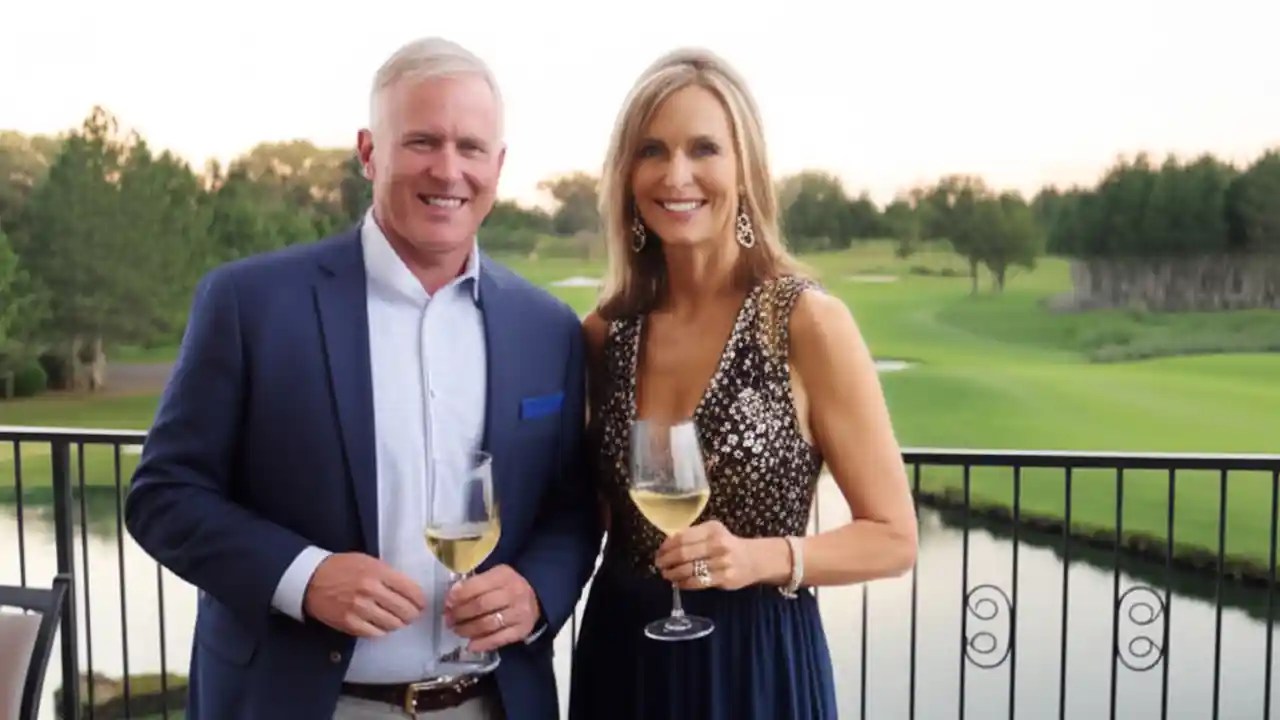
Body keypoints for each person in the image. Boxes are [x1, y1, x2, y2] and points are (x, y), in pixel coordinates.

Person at [125, 37, 601, 720]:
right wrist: (304, 577)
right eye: (422, 141)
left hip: (492, 703)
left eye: (470, 147)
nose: (448, 169)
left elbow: (572, 505)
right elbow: (164, 495)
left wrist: (535, 590)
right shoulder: (250, 304)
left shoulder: (547, 326)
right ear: (369, 152)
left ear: (498, 166)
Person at [568, 48, 920, 720]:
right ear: (628, 176)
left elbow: (894, 537)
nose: (676, 175)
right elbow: (587, 516)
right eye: (651, 150)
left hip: (755, 668)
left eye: (704, 149)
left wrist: (761, 558)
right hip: (623, 661)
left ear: (745, 168)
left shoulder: (804, 323)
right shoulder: (604, 334)